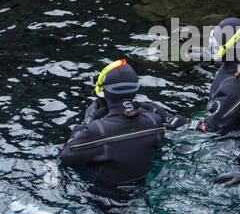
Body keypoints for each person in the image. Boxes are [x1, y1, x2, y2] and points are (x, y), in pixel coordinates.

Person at [59, 59, 169, 199]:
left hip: (103, 201)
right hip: (142, 193)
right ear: (135, 90)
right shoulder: (154, 121)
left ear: (105, 93)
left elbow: (66, 156)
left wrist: (87, 122)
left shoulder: (95, 130)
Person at [192, 15, 240, 133]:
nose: (212, 44)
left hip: (232, 138)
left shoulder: (235, 85)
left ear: (228, 49)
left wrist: (169, 118)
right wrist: (213, 56)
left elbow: (209, 127)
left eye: (216, 44)